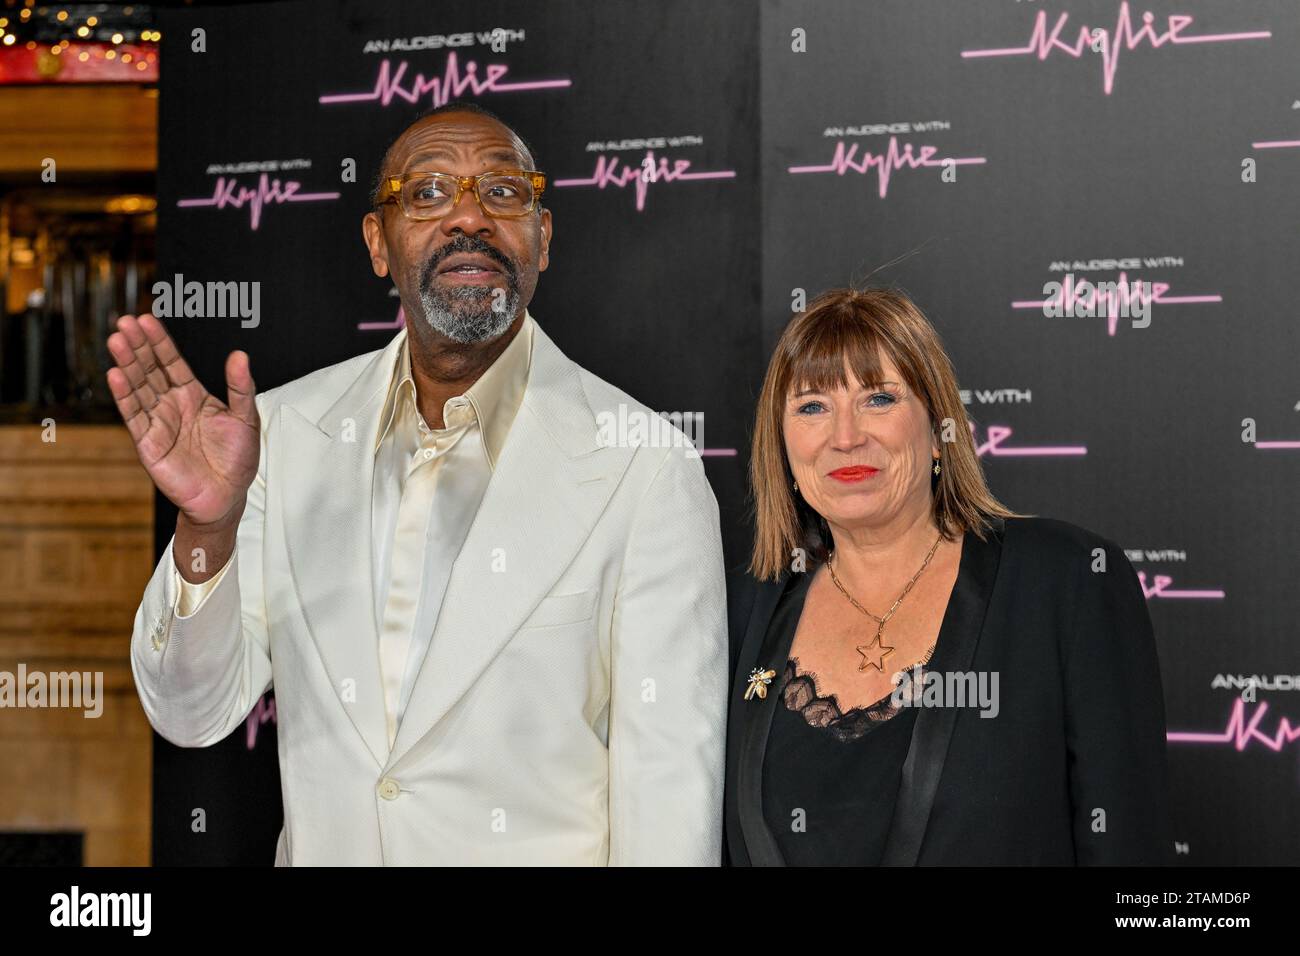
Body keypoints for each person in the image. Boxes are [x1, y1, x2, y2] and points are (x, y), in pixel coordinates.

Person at [107, 101, 727, 865]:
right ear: (378, 242)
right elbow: (190, 712)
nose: (469, 218)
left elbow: (668, 796)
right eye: (428, 193)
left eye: (503, 192)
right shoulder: (280, 435)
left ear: (544, 236)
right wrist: (208, 530)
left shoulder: (646, 466)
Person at [724, 287, 1173, 865]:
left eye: (879, 398)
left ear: (939, 429)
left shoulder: (1067, 582)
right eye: (812, 407)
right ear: (782, 446)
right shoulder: (745, 613)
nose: (845, 436)